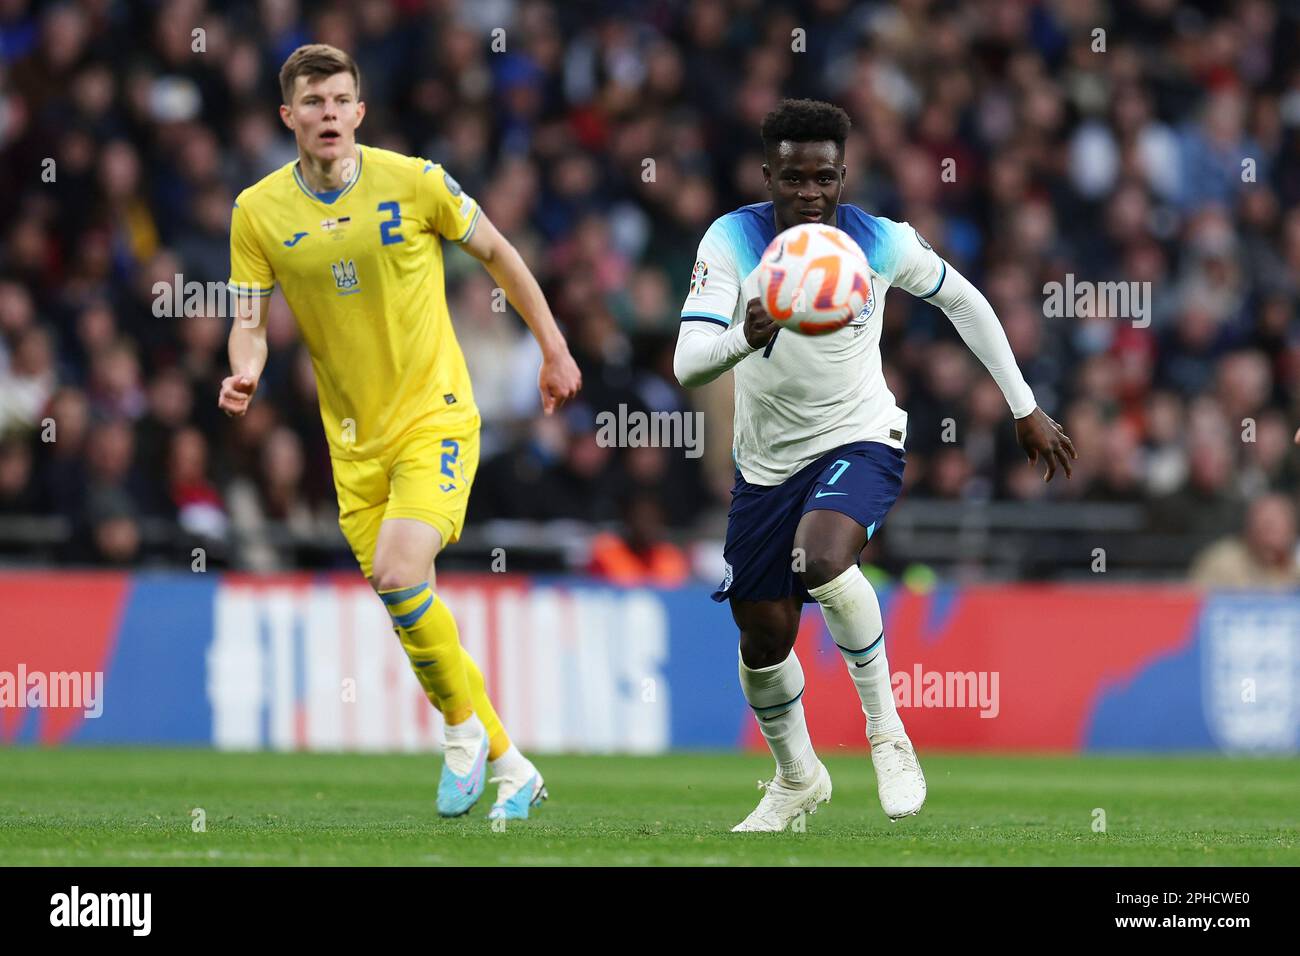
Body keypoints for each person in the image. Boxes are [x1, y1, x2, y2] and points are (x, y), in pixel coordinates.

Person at [674, 99, 1076, 832]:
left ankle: (888, 734)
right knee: (762, 639)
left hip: (860, 436)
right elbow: (688, 363)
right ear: (768, 175)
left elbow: (966, 301)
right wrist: (744, 334)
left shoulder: (879, 242)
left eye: (824, 178)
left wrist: (1024, 407)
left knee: (821, 558)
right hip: (764, 466)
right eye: (793, 178)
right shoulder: (731, 240)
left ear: (843, 176)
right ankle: (797, 779)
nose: (809, 194)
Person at [220, 45, 581, 820]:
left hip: (436, 418)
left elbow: (498, 253)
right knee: (411, 604)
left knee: (397, 571)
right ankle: (511, 764)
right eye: (311, 102)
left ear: (359, 111)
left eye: (340, 99)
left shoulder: (414, 181)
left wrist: (552, 346)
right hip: (351, 445)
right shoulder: (257, 212)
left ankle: (459, 734)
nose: (327, 114)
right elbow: (246, 323)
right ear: (289, 117)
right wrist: (244, 369)